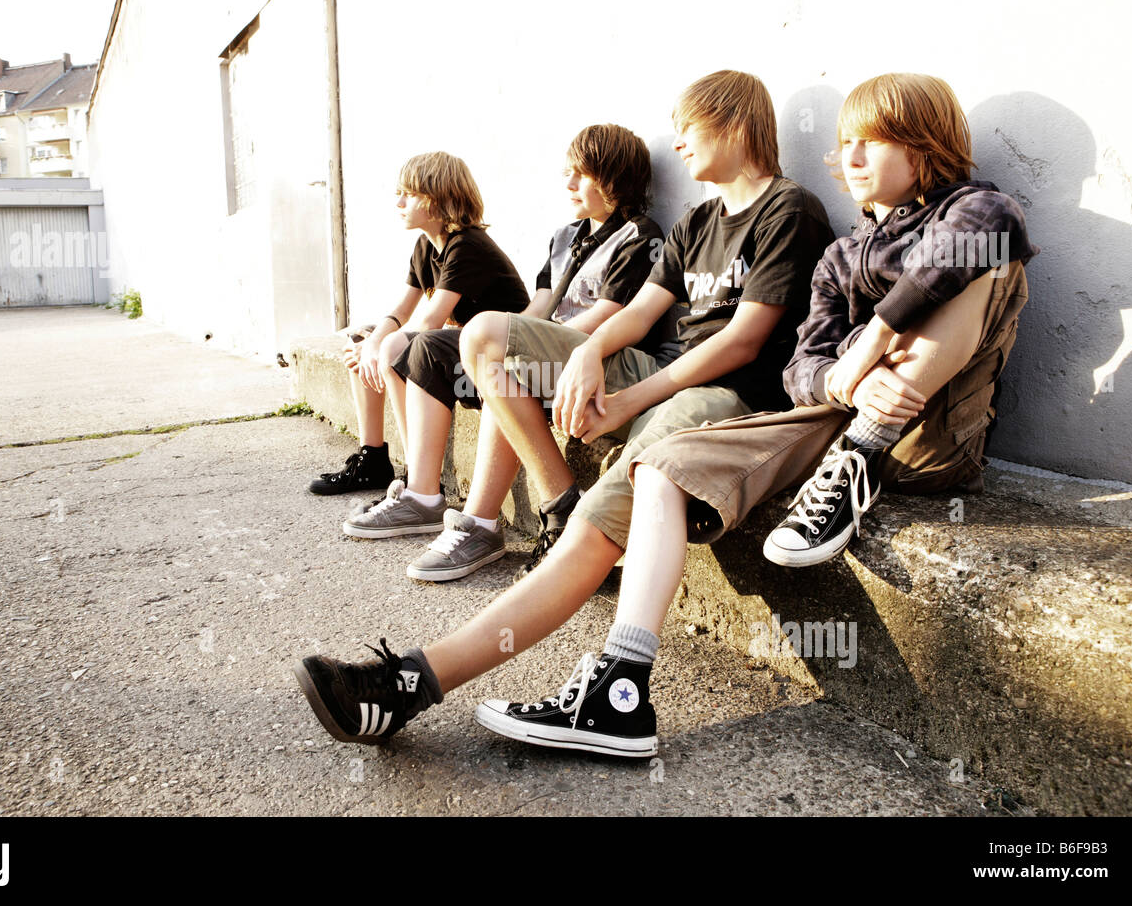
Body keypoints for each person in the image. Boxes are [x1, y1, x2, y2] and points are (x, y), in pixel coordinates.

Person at [471, 71, 1037, 757]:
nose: (849, 159)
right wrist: (847, 378)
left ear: (925, 145)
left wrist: (879, 338)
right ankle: (621, 687)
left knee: (987, 262)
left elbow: (995, 228)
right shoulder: (841, 255)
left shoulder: (966, 210)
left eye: (872, 142)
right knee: (660, 464)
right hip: (833, 419)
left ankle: (866, 448)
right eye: (843, 143)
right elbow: (801, 369)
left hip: (927, 430)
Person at [292, 69, 836, 747]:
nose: (680, 144)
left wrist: (630, 399)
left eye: (687, 126)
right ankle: (559, 499)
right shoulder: (697, 221)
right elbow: (639, 314)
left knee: (603, 520)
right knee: (488, 334)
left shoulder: (790, 209)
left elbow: (744, 340)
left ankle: (414, 684)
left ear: (732, 123)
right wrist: (586, 353)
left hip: (724, 399)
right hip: (661, 372)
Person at [346, 124, 671, 583]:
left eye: (581, 174)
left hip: (596, 359)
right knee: (426, 348)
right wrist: (524, 335)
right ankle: (422, 494)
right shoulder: (565, 235)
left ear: (613, 177)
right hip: (547, 343)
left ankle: (479, 522)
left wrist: (528, 343)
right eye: (568, 173)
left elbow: (608, 318)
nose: (569, 184)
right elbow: (537, 308)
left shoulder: (641, 235)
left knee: (506, 363)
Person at [308, 151, 528, 507]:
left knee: (395, 348)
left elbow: (429, 323)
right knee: (365, 337)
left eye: (408, 194)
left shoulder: (467, 245)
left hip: (496, 365)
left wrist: (382, 348)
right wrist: (371, 343)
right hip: (455, 356)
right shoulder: (426, 245)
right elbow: (403, 309)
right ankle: (374, 457)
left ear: (437, 199)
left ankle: (418, 478)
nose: (399, 202)